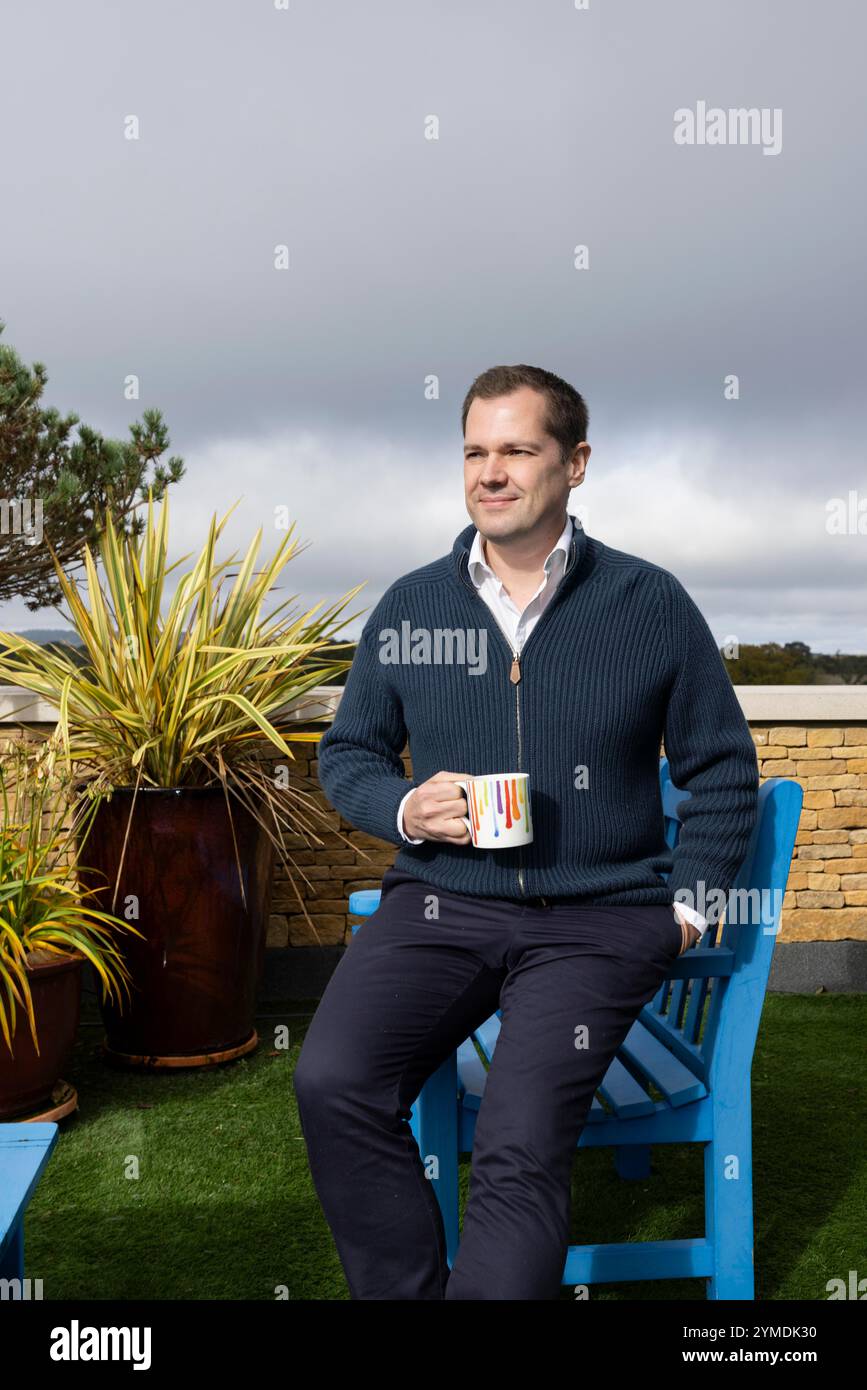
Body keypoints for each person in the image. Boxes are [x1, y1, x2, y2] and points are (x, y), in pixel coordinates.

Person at [295, 363, 759, 1300]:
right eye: (474, 450)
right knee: (333, 1080)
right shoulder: (414, 604)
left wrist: (687, 913)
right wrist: (400, 807)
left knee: (517, 1141)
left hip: (597, 925)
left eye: (517, 449)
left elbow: (720, 768)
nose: (489, 471)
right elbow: (347, 752)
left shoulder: (647, 603)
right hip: (440, 906)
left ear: (574, 462)